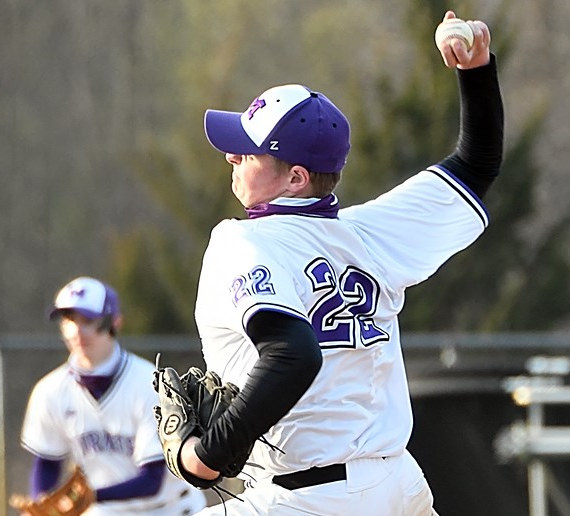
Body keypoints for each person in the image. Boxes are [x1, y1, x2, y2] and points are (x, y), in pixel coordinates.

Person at [178, 9, 502, 515]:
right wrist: (476, 71)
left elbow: (293, 354)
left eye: (249, 152)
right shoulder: (371, 232)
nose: (231, 158)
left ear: (296, 178)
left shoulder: (242, 243)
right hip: (397, 484)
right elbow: (477, 164)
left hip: (309, 499)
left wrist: (208, 454)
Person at [19, 276, 207, 515]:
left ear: (115, 322)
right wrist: (42, 504)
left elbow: (152, 479)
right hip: (106, 510)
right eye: (69, 320)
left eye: (88, 320)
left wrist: (90, 496)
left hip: (170, 508)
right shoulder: (50, 391)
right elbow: (47, 462)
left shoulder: (147, 382)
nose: (78, 330)